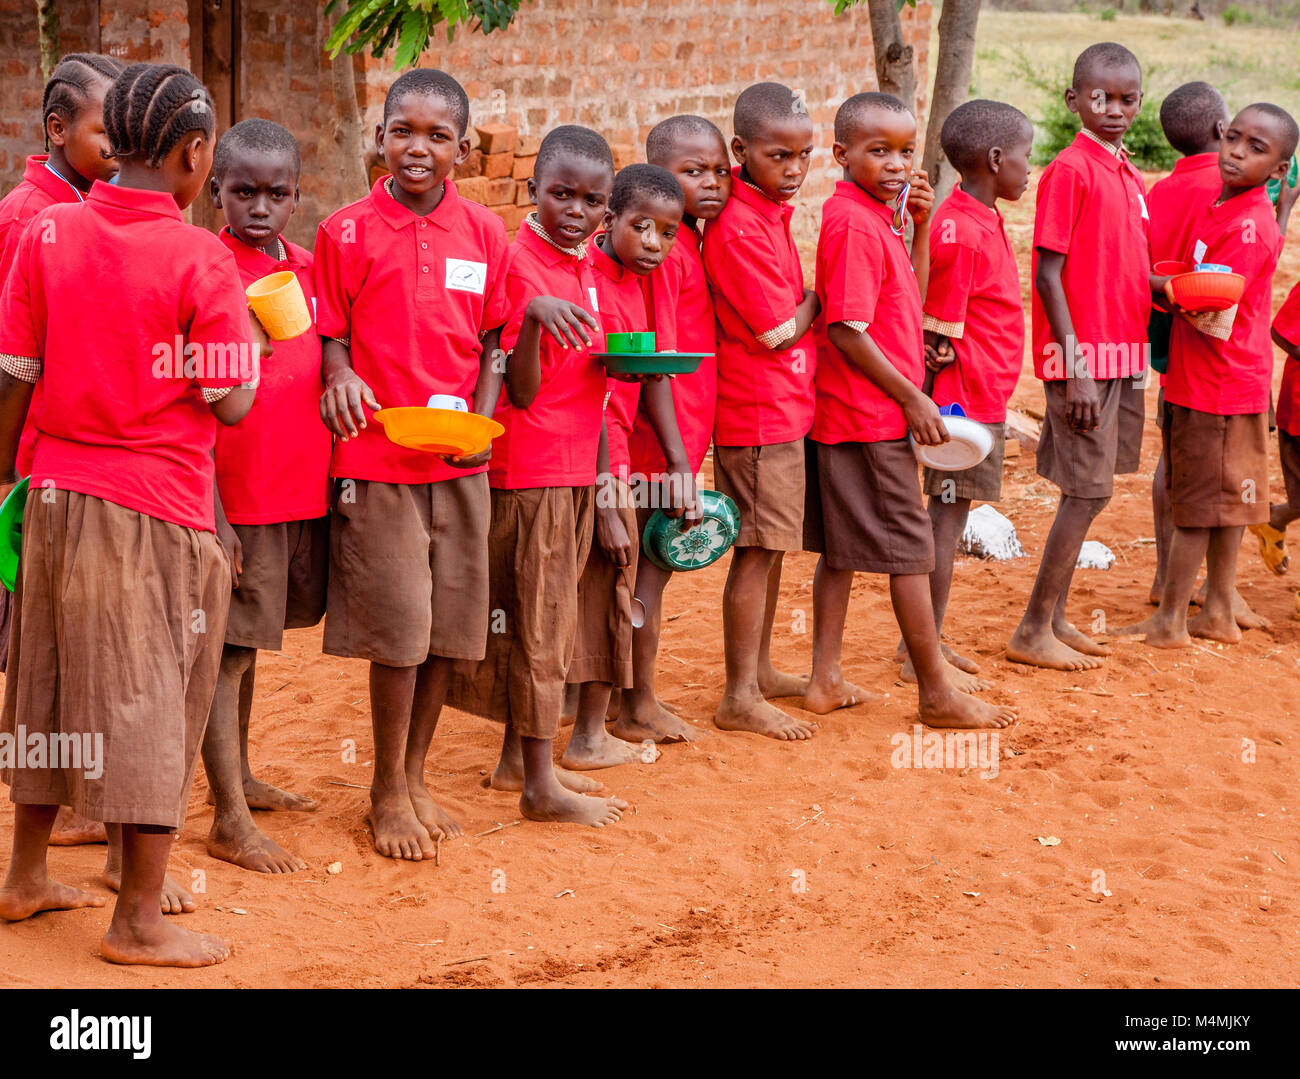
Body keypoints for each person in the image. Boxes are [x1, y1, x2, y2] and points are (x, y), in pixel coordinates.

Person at [0, 63, 264, 967]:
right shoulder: (202, 258)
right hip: (154, 508)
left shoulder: (48, 233)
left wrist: (9, 478)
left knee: (46, 679)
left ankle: (25, 874)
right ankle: (138, 919)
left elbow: (15, 375)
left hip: (54, 498)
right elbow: (227, 402)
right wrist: (254, 349)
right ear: (195, 155)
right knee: (151, 700)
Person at [314, 69, 509, 861]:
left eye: (436, 135)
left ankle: (417, 773)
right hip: (377, 455)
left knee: (447, 628)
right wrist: (338, 373)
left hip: (459, 457)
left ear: (462, 147)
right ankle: (385, 788)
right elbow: (328, 329)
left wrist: (486, 417)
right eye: (403, 130)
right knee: (399, 626)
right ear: (380, 137)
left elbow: (495, 339)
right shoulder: (346, 231)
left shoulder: (487, 234)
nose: (417, 147)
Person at [803, 92, 1016, 731]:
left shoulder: (877, 217)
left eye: (903, 151)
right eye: (878, 152)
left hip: (863, 412)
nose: (896, 165)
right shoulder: (850, 225)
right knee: (914, 551)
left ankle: (824, 678)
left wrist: (917, 227)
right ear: (841, 155)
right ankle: (935, 693)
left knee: (841, 551)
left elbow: (912, 294)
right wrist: (911, 395)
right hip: (868, 415)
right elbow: (845, 328)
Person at [448, 125, 630, 826]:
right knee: (540, 622)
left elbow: (589, 375)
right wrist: (531, 321)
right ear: (533, 191)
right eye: (562, 195)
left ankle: (513, 761)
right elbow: (519, 388)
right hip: (533, 471)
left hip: (574, 463)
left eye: (592, 200)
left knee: (539, 616)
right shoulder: (523, 265)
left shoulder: (580, 261)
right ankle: (540, 784)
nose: (577, 211)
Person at [204, 118, 330, 872]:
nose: (259, 206)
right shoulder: (207, 268)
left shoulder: (309, 270)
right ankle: (226, 816)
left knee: (248, 648)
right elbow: (196, 402)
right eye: (243, 190)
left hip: (294, 492)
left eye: (276, 193)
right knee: (223, 654)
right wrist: (216, 517)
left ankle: (242, 776)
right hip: (235, 498)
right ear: (216, 190)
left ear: (295, 198)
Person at [1125, 105, 1296, 647]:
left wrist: (1148, 284)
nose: (1237, 152)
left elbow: (1214, 313)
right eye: (1233, 138)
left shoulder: (1247, 225)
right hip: (1210, 376)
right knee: (1223, 502)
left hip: (1218, 382)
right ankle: (1218, 609)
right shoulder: (1222, 206)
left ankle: (1171, 619)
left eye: (1256, 148)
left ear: (1278, 170)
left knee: (1198, 506)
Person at [1006, 43, 1151, 671]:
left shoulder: (1124, 170)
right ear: (1074, 101)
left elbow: (1122, 266)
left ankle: (1057, 616)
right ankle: (1034, 626)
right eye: (1101, 98)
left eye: (1127, 99)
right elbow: (1047, 274)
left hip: (1122, 356)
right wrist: (1078, 369)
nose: (1115, 109)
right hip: (1085, 364)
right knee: (1084, 493)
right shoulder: (1071, 170)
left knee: (1094, 490)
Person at [562, 163, 699, 770]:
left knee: (611, 587)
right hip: (587, 455)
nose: (654, 243)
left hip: (616, 455)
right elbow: (585, 391)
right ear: (609, 218)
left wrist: (680, 464)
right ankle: (588, 733)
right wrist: (604, 487)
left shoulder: (638, 283)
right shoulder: (584, 280)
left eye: (667, 233)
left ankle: (608, 717)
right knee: (603, 592)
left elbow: (652, 374)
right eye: (641, 227)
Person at [899, 98, 1033, 692]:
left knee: (949, 519)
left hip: (983, 393)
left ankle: (925, 639)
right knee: (946, 522)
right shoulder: (960, 229)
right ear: (997, 158)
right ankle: (917, 652)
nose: (1032, 169)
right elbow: (938, 325)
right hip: (963, 404)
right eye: (1027, 157)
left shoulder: (978, 217)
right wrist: (938, 364)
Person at [702, 82, 821, 739]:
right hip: (755, 412)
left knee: (772, 545)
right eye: (781, 156)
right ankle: (739, 692)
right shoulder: (739, 225)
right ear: (742, 150)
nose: (796, 170)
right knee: (754, 547)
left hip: (783, 406)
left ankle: (763, 669)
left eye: (805, 156)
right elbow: (778, 328)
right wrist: (820, 298)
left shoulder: (767, 210)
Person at [612, 115, 731, 746]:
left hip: (673, 439)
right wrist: (681, 465)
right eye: (692, 172)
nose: (711, 183)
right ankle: (637, 703)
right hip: (656, 444)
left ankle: (621, 699)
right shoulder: (669, 254)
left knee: (637, 574)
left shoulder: (681, 243)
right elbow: (653, 366)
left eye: (719, 170)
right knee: (645, 575)